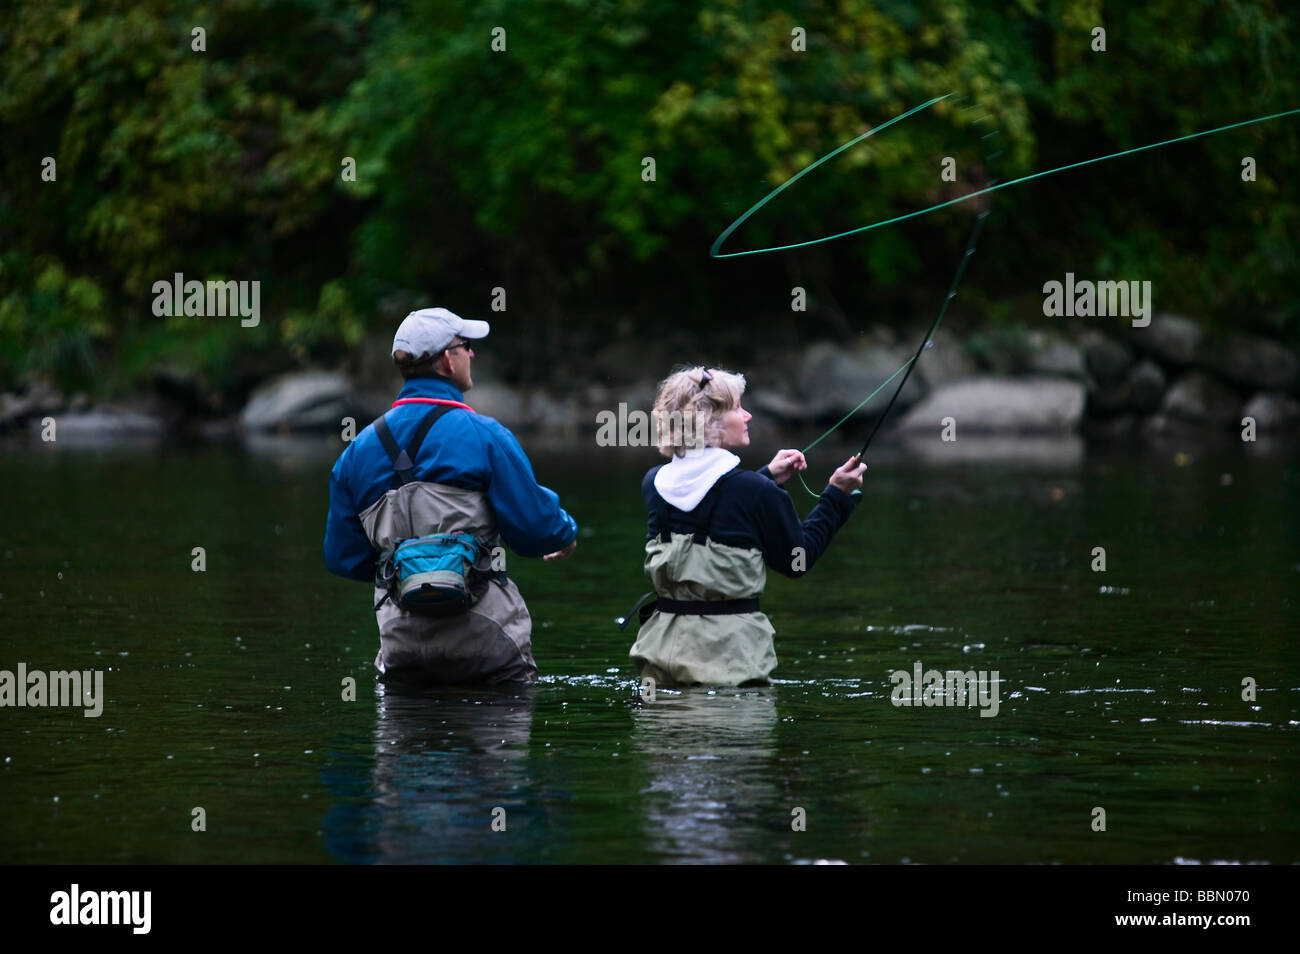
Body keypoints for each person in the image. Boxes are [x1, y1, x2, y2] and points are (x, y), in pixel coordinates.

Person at [324, 307, 578, 685]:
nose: (471, 354)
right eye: (466, 346)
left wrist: (411, 571)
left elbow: (343, 558)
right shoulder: (484, 434)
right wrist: (565, 532)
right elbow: (537, 530)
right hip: (488, 641)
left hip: (402, 644)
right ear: (446, 360)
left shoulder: (355, 454)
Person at [628, 366, 866, 687]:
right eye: (738, 407)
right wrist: (836, 496)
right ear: (708, 422)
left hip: (659, 658)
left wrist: (765, 476)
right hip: (729, 660)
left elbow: (711, 508)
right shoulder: (755, 492)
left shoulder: (653, 483)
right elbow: (797, 561)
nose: (749, 415)